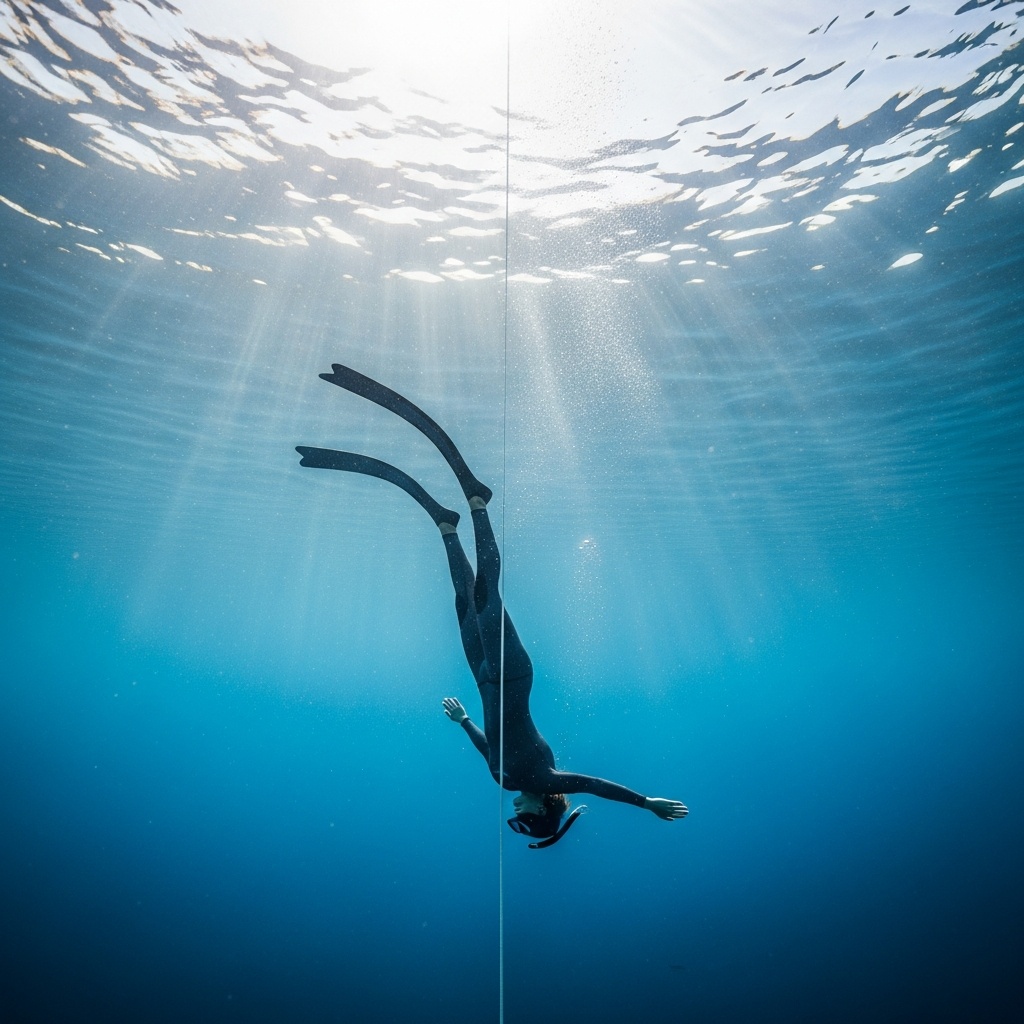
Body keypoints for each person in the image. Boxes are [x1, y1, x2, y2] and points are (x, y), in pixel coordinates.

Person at [298, 364, 688, 849]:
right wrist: (644, 802)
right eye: (525, 821)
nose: (516, 814)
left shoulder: (504, 781)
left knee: (465, 604)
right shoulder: (549, 781)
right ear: (544, 810)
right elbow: (592, 785)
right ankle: (478, 500)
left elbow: (488, 748)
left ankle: (445, 524)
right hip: (511, 674)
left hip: (483, 673)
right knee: (486, 595)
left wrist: (464, 722)